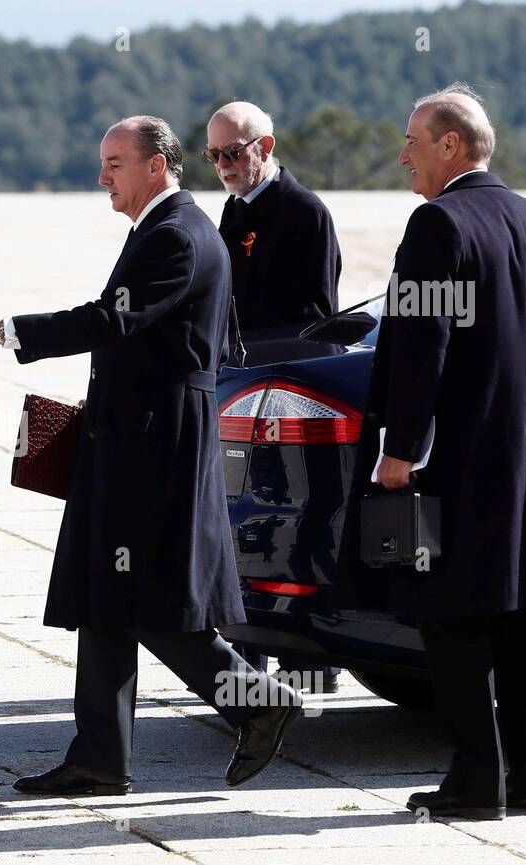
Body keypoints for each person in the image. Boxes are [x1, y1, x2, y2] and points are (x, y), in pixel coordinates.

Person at [0, 116, 301, 796]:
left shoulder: (175, 237)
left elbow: (110, 319)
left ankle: (254, 703)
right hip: (142, 439)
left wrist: (0, 333)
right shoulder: (176, 230)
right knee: (110, 597)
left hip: (154, 450)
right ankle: (101, 757)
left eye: (114, 163)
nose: (103, 176)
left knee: (147, 601)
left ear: (156, 166)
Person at [358, 83, 526, 820]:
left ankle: (476, 785)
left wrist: (401, 448)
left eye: (413, 143)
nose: (403, 157)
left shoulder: (438, 225)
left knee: (452, 623)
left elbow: (425, 346)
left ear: (451, 145)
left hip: (456, 462)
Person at [206, 101, 344, 691]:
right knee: (245, 528)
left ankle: (310, 667)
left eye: (233, 153)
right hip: (241, 392)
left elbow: (316, 319)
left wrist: (247, 354)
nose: (224, 166)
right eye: (213, 156)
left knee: (298, 525)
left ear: (266, 145)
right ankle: (249, 658)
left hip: (292, 397)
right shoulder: (235, 209)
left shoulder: (303, 212)